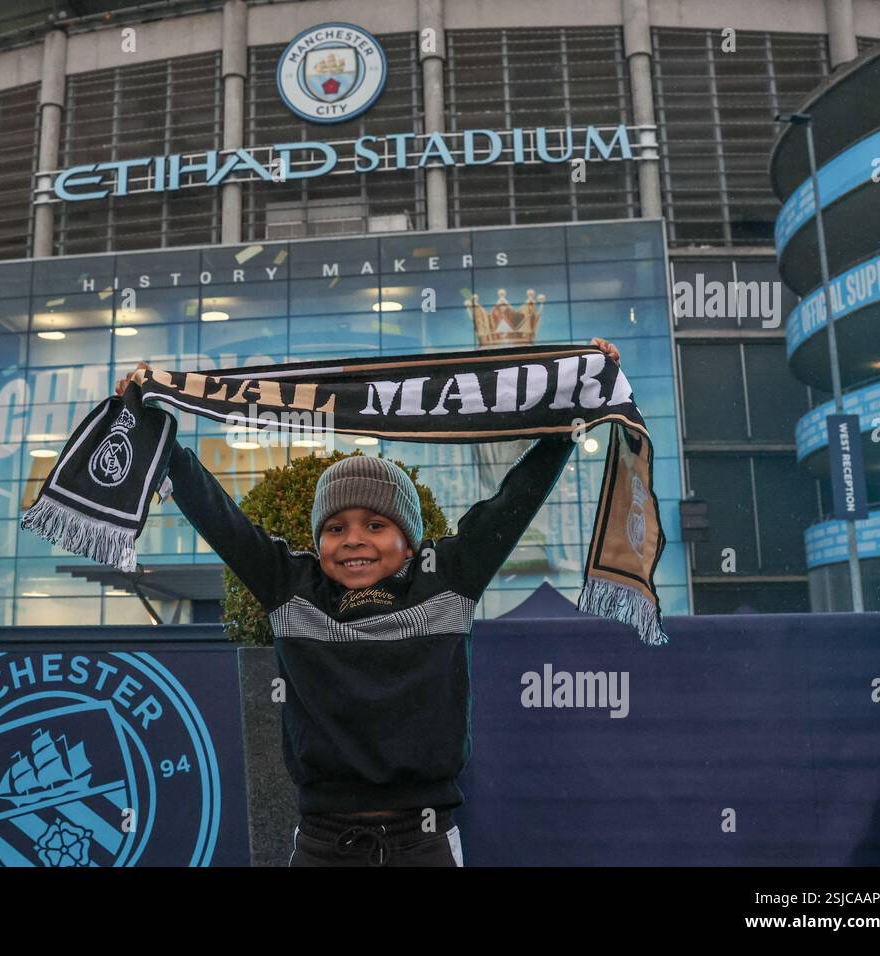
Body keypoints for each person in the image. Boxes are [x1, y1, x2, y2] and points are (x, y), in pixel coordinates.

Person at [115, 338, 622, 866]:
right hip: (321, 844)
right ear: (317, 541)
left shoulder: (447, 578)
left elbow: (515, 500)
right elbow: (219, 515)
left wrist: (578, 400)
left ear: (411, 541)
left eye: (376, 525)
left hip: (424, 841)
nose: (353, 539)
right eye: (335, 528)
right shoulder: (290, 585)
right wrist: (159, 435)